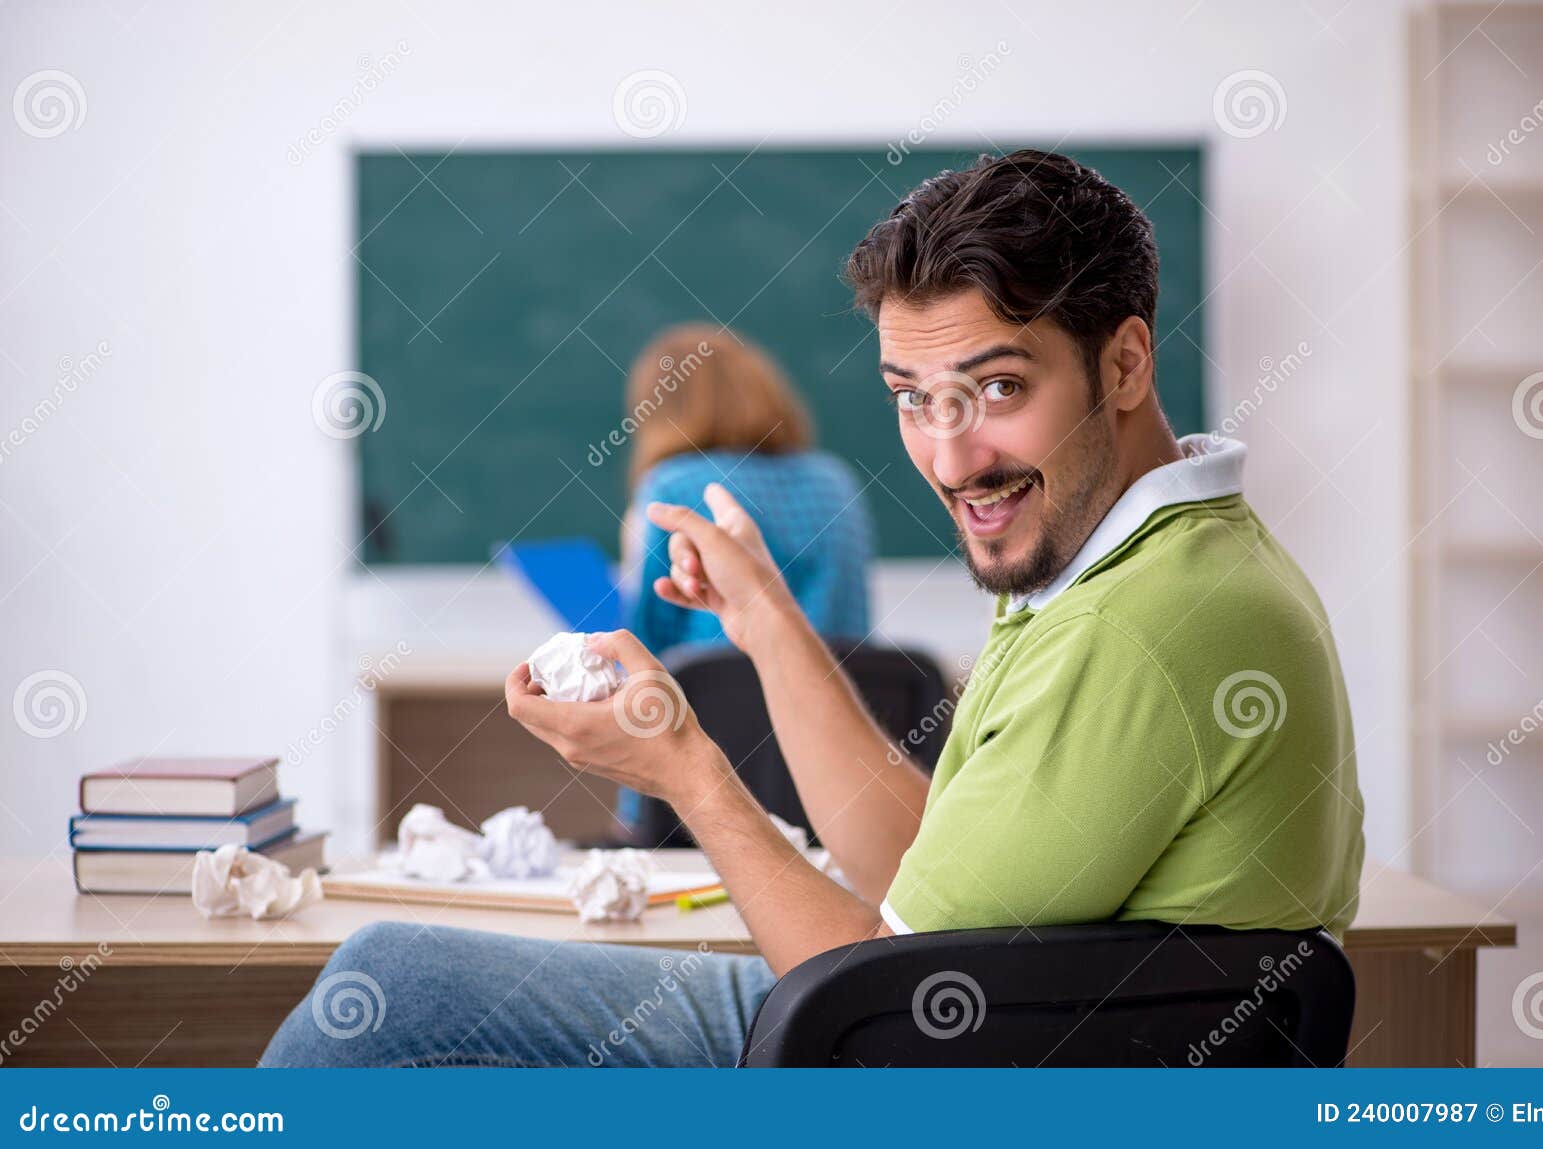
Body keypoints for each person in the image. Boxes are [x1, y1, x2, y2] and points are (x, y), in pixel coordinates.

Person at [262, 149, 1365, 1068]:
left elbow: (881, 997)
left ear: (1122, 363)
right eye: (910, 399)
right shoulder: (1149, 570)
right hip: (992, 1047)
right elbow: (923, 873)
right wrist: (765, 622)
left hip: (925, 1074)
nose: (949, 456)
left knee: (387, 979)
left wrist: (686, 764)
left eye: (997, 389)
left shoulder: (1133, 626)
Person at [613, 324, 874, 830]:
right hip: (840, 775)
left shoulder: (669, 487)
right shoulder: (836, 481)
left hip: (711, 786)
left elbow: (641, 659)